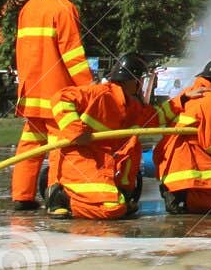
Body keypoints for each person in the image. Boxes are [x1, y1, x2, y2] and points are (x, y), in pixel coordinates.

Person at [9, 0, 92, 210]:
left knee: (30, 147)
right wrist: (89, 91)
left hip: (31, 93)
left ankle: (21, 197)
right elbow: (73, 56)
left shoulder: (28, 8)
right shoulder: (64, 8)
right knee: (61, 146)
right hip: (58, 96)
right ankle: (56, 199)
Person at [46, 55, 171, 220]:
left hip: (100, 161)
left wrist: (184, 99)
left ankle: (116, 193)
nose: (141, 84)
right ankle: (63, 198)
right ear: (130, 79)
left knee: (132, 145)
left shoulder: (130, 105)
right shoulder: (100, 93)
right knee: (112, 209)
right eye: (139, 79)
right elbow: (60, 99)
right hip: (78, 158)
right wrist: (76, 131)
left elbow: (154, 117)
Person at [154, 57, 211, 215]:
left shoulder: (187, 94)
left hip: (171, 169)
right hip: (186, 165)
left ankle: (180, 197)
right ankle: (184, 200)